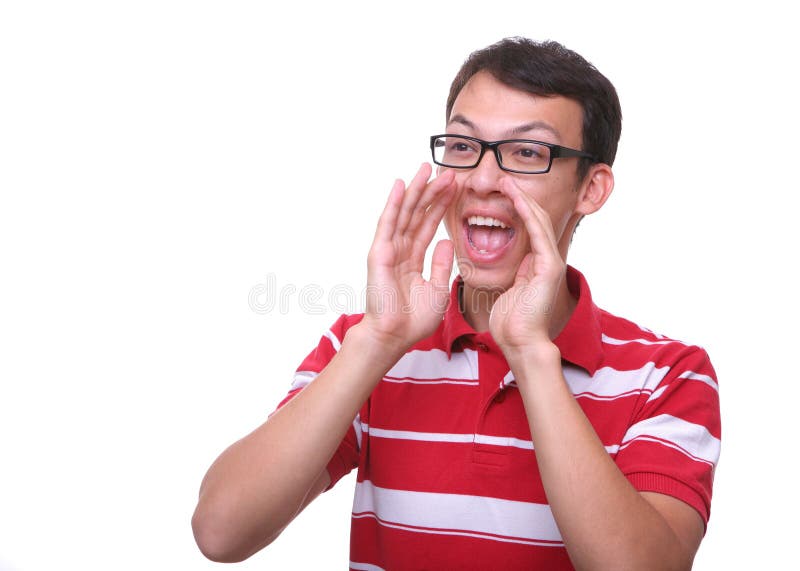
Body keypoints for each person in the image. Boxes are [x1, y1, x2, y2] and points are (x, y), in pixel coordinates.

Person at [192, 37, 721, 570]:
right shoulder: (369, 343)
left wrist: (532, 356)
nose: (483, 180)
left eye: (527, 153)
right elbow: (220, 531)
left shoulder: (669, 375)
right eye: (464, 147)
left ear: (591, 189)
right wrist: (376, 344)